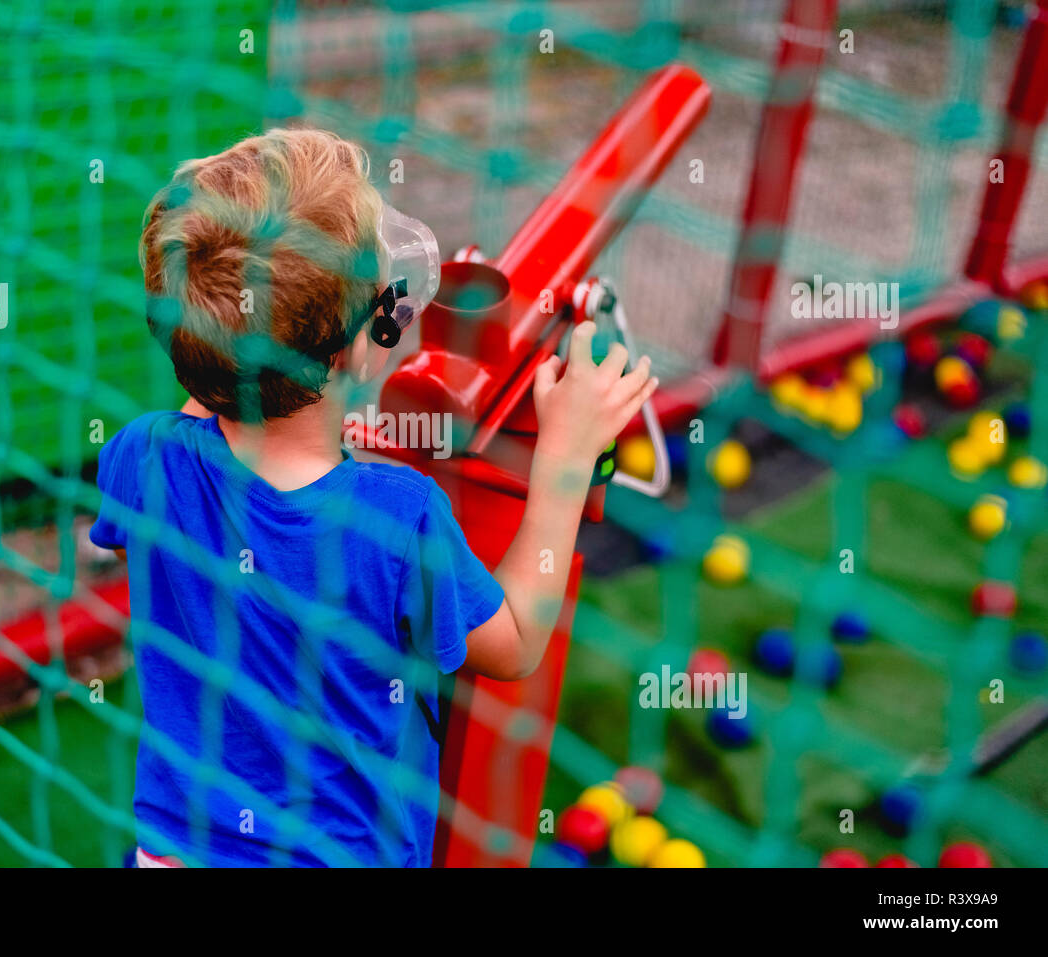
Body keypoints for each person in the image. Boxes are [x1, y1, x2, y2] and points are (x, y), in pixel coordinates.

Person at [91, 127, 657, 867]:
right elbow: (514, 641)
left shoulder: (143, 456)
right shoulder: (399, 516)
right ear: (361, 345)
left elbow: (212, 402)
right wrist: (567, 456)